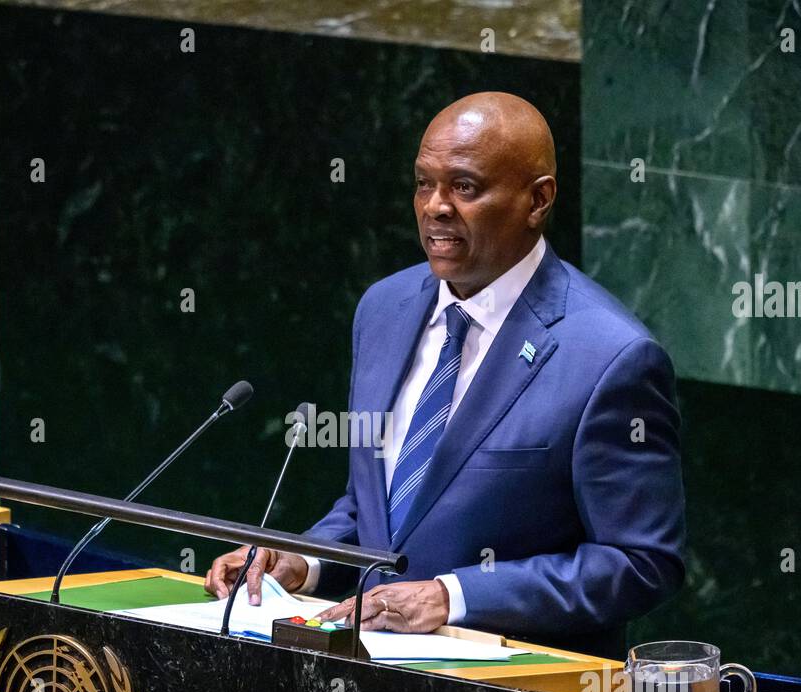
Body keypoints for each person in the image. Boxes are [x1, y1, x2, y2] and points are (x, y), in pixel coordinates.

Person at [205, 92, 685, 656]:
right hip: (363, 684)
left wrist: (452, 595)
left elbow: (640, 561)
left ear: (538, 200)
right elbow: (377, 511)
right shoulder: (383, 310)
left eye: (465, 187)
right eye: (422, 184)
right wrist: (303, 561)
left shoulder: (610, 357)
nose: (435, 207)